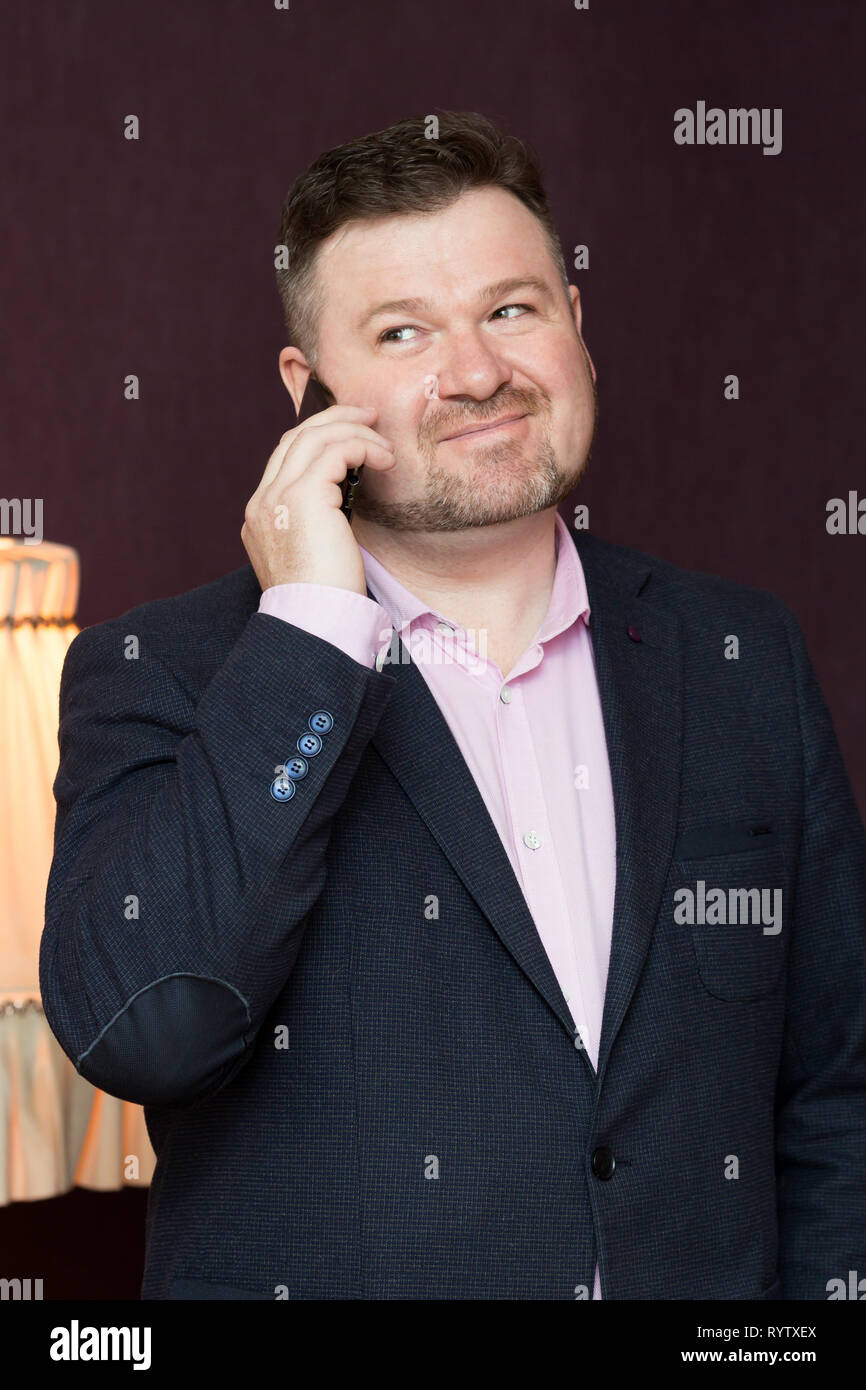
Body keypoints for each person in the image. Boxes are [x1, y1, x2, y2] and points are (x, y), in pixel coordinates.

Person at [41, 111, 866, 1300]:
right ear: (308, 390)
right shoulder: (155, 670)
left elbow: (832, 1089)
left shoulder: (738, 654)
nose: (476, 371)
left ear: (576, 327)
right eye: (402, 332)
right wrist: (313, 635)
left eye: (510, 309)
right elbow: (146, 1031)